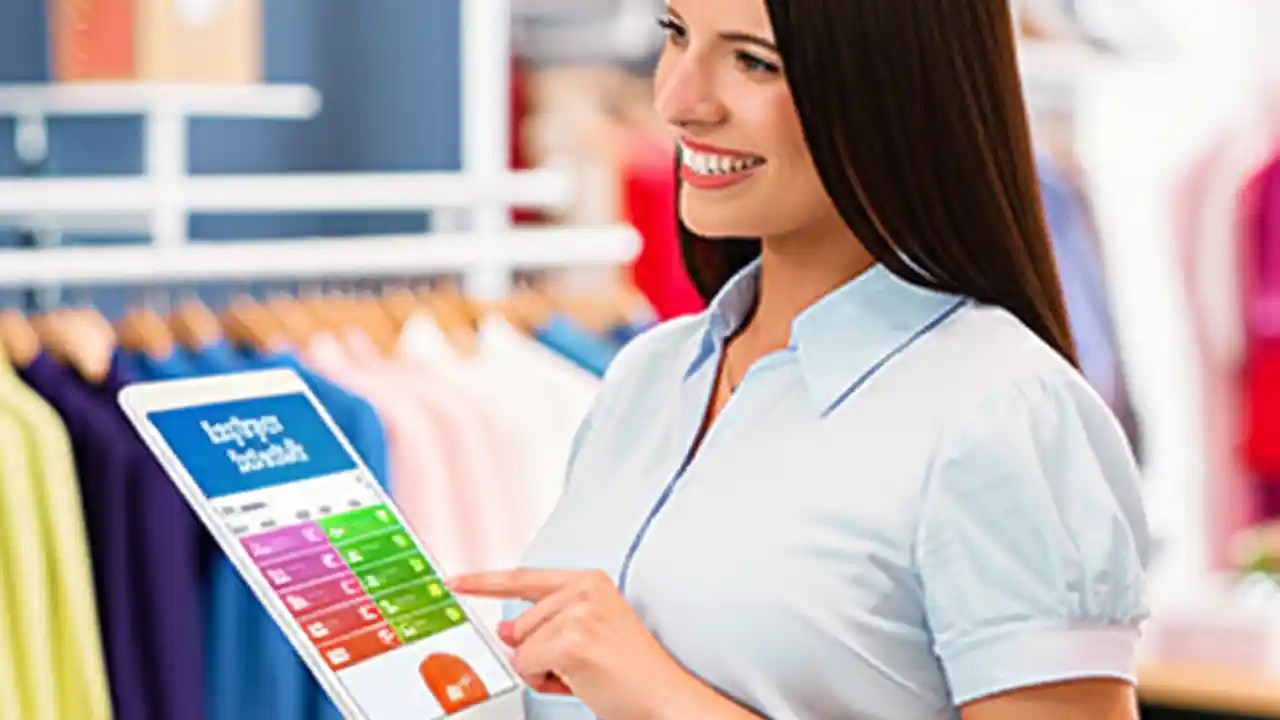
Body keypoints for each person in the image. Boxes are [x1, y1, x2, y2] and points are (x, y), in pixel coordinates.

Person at [446, 1, 1150, 718]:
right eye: (676, 36)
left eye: (753, 61)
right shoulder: (646, 375)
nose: (678, 101)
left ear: (894, 87)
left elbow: (635, 683)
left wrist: (660, 697)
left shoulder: (1005, 413)